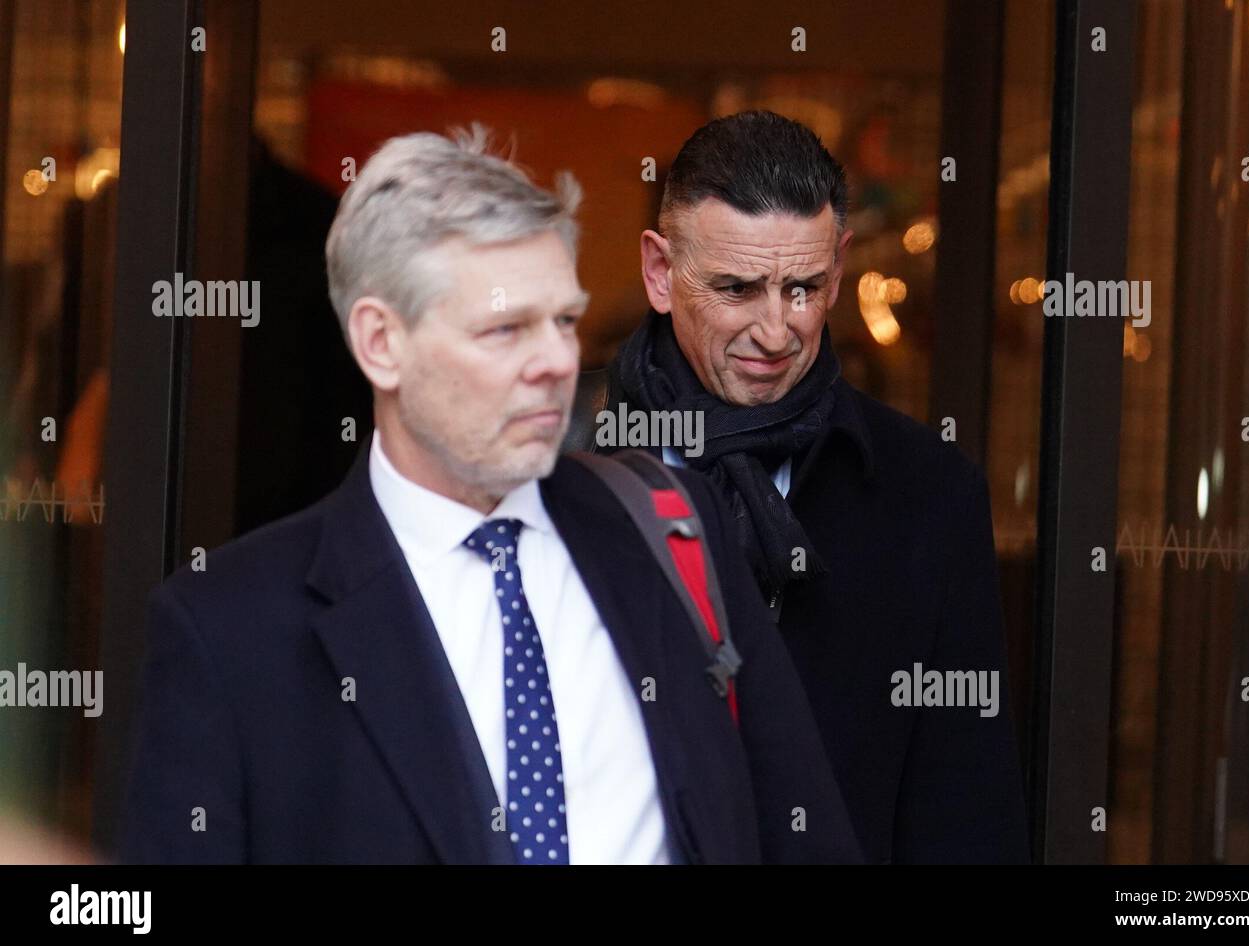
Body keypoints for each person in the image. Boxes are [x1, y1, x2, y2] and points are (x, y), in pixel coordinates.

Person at [117, 127, 859, 865]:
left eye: (563, 320)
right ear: (381, 342)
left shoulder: (671, 533)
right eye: (505, 329)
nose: (555, 362)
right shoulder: (229, 631)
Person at [568, 111, 1029, 863]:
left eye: (804, 288)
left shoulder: (926, 495)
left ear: (840, 270)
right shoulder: (552, 463)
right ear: (659, 273)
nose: (776, 331)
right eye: (738, 288)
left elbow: (965, 809)